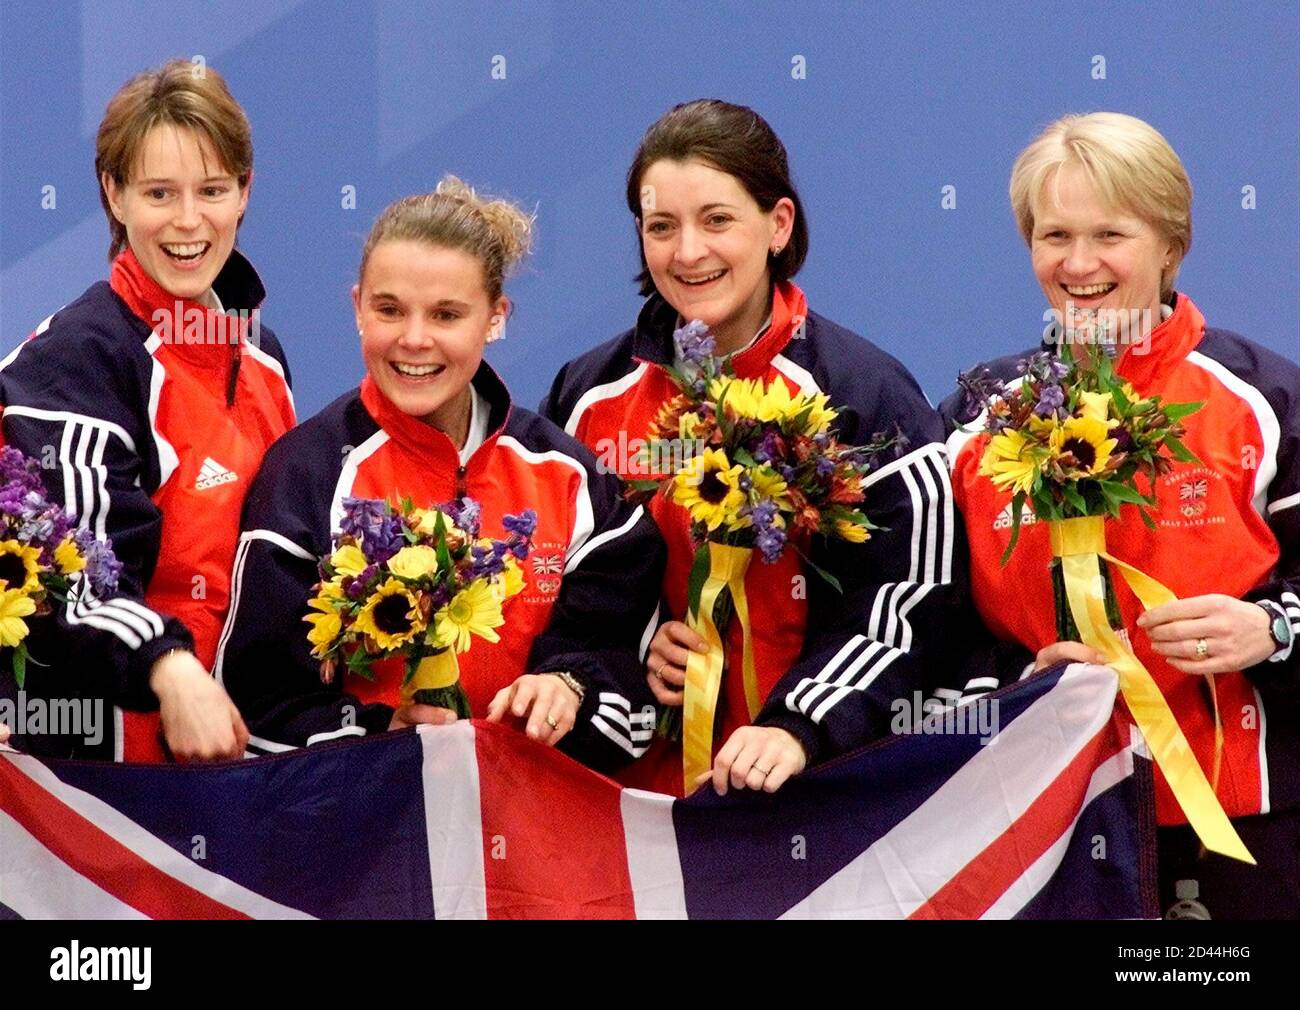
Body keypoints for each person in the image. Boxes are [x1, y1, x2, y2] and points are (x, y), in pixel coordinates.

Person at [541, 100, 965, 796]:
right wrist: (638, 648)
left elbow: (914, 598)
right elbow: (556, 595)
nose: (688, 252)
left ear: (778, 224)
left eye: (717, 220)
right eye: (661, 227)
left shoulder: (864, 394)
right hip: (633, 810)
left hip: (809, 790)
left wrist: (800, 722)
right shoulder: (589, 395)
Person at [942, 112, 1299, 918]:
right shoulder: (976, 419)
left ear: (1172, 244)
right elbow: (926, 625)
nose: (1078, 264)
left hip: (1242, 838)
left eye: (1110, 234)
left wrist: (1272, 629)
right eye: (1054, 236)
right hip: (1038, 830)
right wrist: (1014, 686)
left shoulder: (1265, 401)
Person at [217, 179, 664, 772]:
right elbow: (256, 709)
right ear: (357, 307)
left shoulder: (569, 477)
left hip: (530, 825)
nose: (414, 339)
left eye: (446, 314)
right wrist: (379, 737)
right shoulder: (307, 477)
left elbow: (634, 685)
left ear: (496, 317)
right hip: (367, 823)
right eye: (389, 310)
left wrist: (568, 688)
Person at [0, 60, 295, 762]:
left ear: (245, 192)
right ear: (114, 193)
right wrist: (171, 668)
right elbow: (70, 575)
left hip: (240, 759)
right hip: (105, 771)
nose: (189, 221)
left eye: (212, 190)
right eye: (159, 193)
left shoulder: (262, 355)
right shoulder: (78, 359)